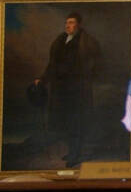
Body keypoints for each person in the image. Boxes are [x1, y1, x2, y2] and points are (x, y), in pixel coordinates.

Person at [35, 12, 101, 167]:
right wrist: (43, 79)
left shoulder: (87, 42)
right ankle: (72, 152)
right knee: (66, 121)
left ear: (79, 25)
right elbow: (53, 64)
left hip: (78, 90)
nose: (67, 25)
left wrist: (83, 77)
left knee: (76, 122)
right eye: (67, 22)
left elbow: (95, 64)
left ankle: (76, 155)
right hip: (62, 90)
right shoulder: (60, 40)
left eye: (71, 22)